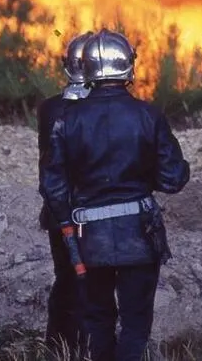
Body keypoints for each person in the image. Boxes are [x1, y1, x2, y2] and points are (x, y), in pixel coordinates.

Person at [40, 28, 190, 361]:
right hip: (139, 235)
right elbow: (173, 179)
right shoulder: (148, 115)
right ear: (128, 67)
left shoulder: (66, 120)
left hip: (89, 239)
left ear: (86, 69)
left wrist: (67, 225)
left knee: (98, 322)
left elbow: (53, 185)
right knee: (136, 326)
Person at [37, 30, 93, 358]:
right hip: (88, 211)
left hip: (60, 212)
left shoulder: (49, 107)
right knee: (89, 284)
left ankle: (59, 349)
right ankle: (81, 348)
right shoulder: (101, 111)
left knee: (68, 282)